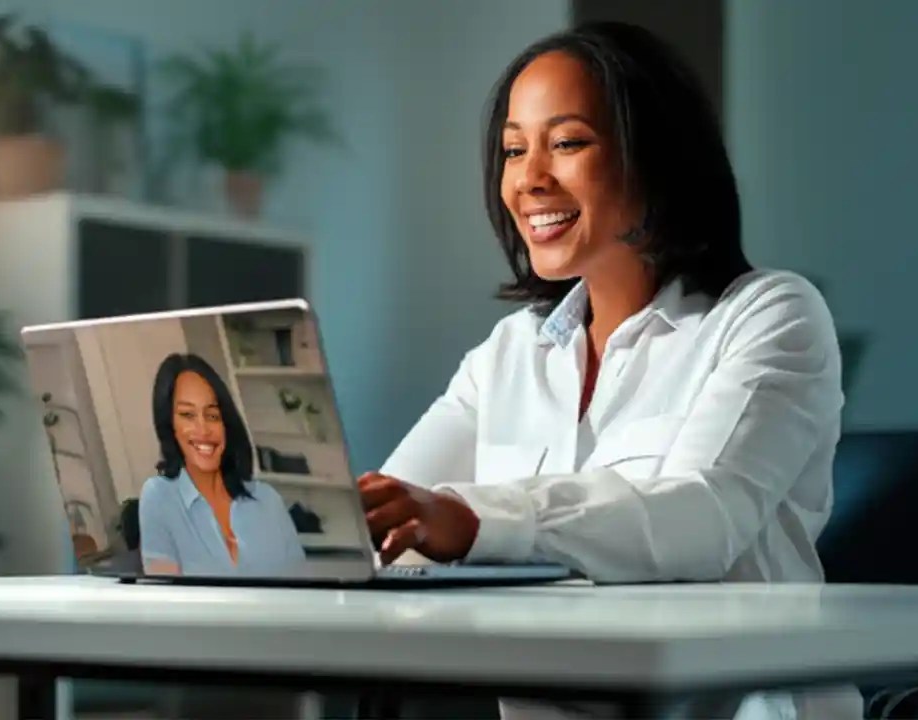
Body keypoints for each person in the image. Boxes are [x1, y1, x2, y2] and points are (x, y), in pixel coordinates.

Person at [358, 21, 862, 720]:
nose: (529, 179)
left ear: (655, 160)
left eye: (566, 143)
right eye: (513, 150)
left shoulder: (771, 314)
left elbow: (701, 519)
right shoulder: (510, 352)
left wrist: (476, 519)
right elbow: (391, 526)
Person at [140, 352, 305, 576]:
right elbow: (165, 603)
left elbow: (303, 595)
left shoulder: (268, 500)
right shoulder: (159, 497)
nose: (204, 429)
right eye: (188, 415)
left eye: (213, 416)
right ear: (170, 425)